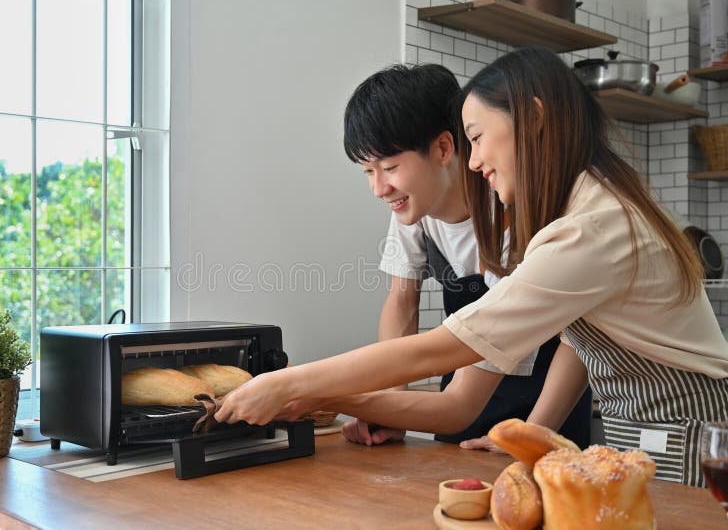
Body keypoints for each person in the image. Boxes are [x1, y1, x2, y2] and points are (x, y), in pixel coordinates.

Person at [215, 46, 728, 487]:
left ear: (533, 118)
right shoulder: (584, 208)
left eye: (478, 137)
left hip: (680, 427)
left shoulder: (585, 228)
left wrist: (297, 384)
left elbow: (452, 347)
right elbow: (416, 312)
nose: (475, 160)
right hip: (647, 426)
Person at [318, 63, 590, 448]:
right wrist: (390, 405)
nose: (379, 188)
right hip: (462, 392)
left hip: (541, 402)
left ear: (444, 148)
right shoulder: (413, 208)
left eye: (390, 167)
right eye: (368, 171)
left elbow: (576, 336)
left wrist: (534, 433)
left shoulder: (516, 208)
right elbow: (402, 302)